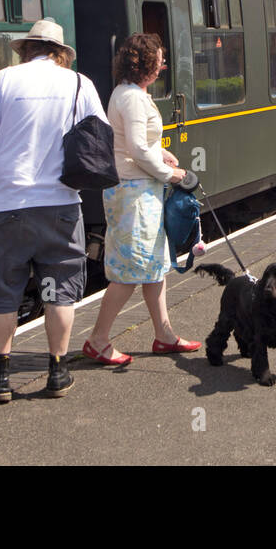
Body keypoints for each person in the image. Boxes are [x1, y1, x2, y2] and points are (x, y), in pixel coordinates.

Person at [0, 18, 105, 401]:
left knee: (4, 289)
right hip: (60, 203)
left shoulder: (4, 79)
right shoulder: (79, 83)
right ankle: (57, 374)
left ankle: (0, 378)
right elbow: (99, 134)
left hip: (7, 203)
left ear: (26, 48)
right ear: (60, 53)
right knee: (59, 289)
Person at [82, 33, 200, 365]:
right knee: (130, 270)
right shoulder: (132, 98)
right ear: (146, 64)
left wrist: (161, 154)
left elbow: (133, 144)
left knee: (153, 267)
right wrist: (172, 175)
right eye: (159, 61)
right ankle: (98, 340)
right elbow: (134, 148)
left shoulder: (127, 94)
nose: (162, 67)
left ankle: (164, 335)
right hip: (133, 193)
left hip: (138, 190)